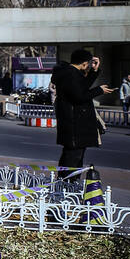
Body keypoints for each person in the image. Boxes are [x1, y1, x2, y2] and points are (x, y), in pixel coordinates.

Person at [50, 49, 112, 177]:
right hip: (74, 123)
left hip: (73, 122)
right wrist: (98, 90)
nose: (88, 66)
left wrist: (94, 71)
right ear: (84, 63)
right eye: (88, 64)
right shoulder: (70, 74)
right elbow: (79, 96)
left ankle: (69, 186)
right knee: (73, 158)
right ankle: (66, 187)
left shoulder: (70, 73)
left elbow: (81, 87)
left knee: (75, 157)